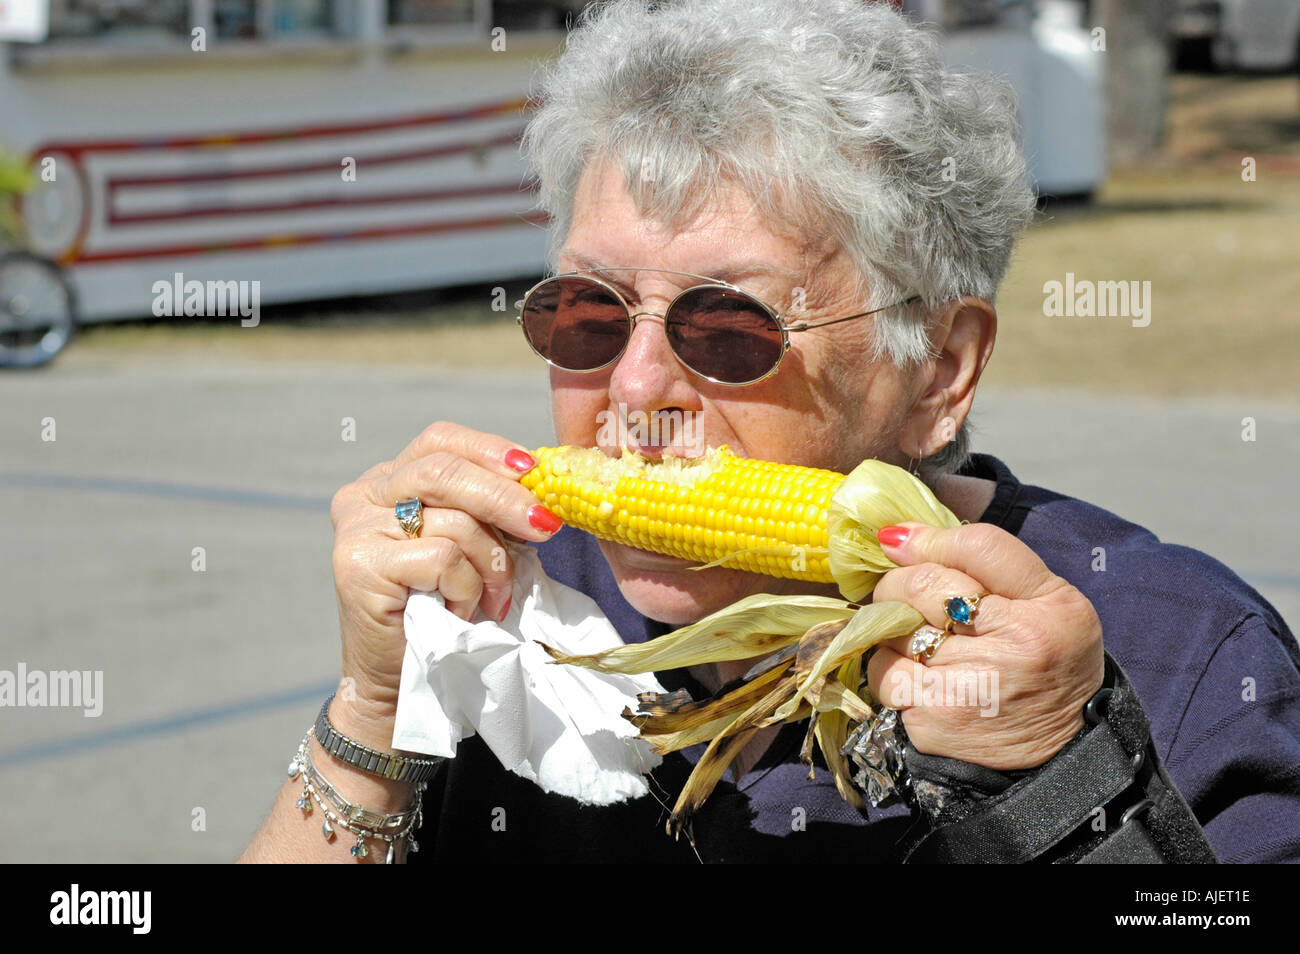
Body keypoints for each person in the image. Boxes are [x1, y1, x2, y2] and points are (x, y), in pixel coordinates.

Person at [239, 0, 1300, 863]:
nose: (638, 385)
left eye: (726, 327)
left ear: (938, 366)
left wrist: (1057, 787)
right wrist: (375, 714)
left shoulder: (1179, 655)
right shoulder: (500, 611)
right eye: (587, 315)